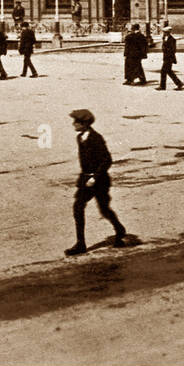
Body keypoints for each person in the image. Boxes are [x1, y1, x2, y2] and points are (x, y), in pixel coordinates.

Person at [65, 108, 129, 256]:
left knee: (104, 209)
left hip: (99, 181)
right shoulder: (81, 137)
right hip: (85, 179)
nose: (73, 124)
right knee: (78, 207)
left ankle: (119, 230)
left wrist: (95, 177)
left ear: (85, 123)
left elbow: (107, 160)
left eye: (76, 121)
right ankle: (81, 243)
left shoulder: (96, 138)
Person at [157, 26, 184, 90]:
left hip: (169, 58)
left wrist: (167, 51)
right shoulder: (165, 38)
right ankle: (179, 83)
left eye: (164, 32)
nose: (163, 33)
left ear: (167, 32)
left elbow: (173, 50)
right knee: (169, 71)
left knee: (163, 71)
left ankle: (162, 86)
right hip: (166, 58)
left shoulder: (172, 39)